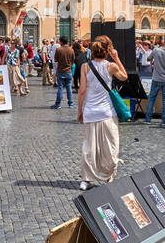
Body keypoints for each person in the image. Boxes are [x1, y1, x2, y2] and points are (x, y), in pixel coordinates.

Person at [77, 37, 128, 189]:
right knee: (111, 146)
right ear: (106, 52)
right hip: (107, 113)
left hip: (90, 111)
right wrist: (117, 58)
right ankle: (109, 177)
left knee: (88, 147)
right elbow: (125, 76)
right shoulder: (111, 66)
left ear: (92, 52)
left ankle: (86, 180)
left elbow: (82, 91)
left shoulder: (85, 67)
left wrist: (80, 110)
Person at [144, 35, 165, 125]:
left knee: (151, 98)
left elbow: (148, 58)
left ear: (163, 42)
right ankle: (163, 120)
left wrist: (155, 62)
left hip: (156, 78)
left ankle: (148, 119)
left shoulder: (156, 50)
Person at [52, 36, 75, 109]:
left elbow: (55, 60)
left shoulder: (58, 50)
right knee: (69, 87)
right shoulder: (71, 50)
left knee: (60, 88)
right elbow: (73, 60)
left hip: (60, 71)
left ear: (61, 42)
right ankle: (70, 103)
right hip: (68, 71)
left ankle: (58, 104)